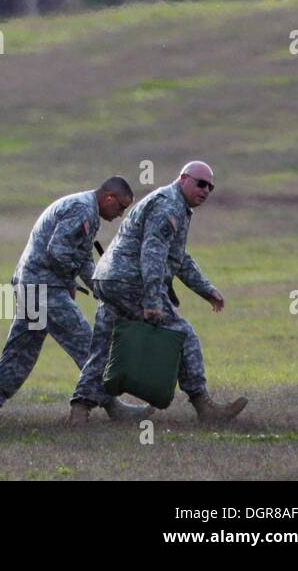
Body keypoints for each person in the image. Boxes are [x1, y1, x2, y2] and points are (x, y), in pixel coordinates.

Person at [69, 161, 247, 425]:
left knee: (104, 346)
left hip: (109, 280)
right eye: (200, 183)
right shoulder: (169, 205)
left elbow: (178, 257)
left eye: (211, 187)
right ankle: (204, 407)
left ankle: (79, 412)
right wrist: (152, 300)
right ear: (183, 179)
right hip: (131, 281)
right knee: (183, 335)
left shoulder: (174, 205)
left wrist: (206, 289)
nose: (206, 190)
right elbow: (152, 253)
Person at [0, 177, 151, 423]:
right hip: (44, 287)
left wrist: (101, 288)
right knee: (87, 344)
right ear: (109, 198)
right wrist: (70, 282)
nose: (121, 214)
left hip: (32, 284)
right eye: (121, 207)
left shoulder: (86, 209)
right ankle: (111, 407)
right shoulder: (82, 210)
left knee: (20, 349)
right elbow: (58, 251)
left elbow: (82, 259)